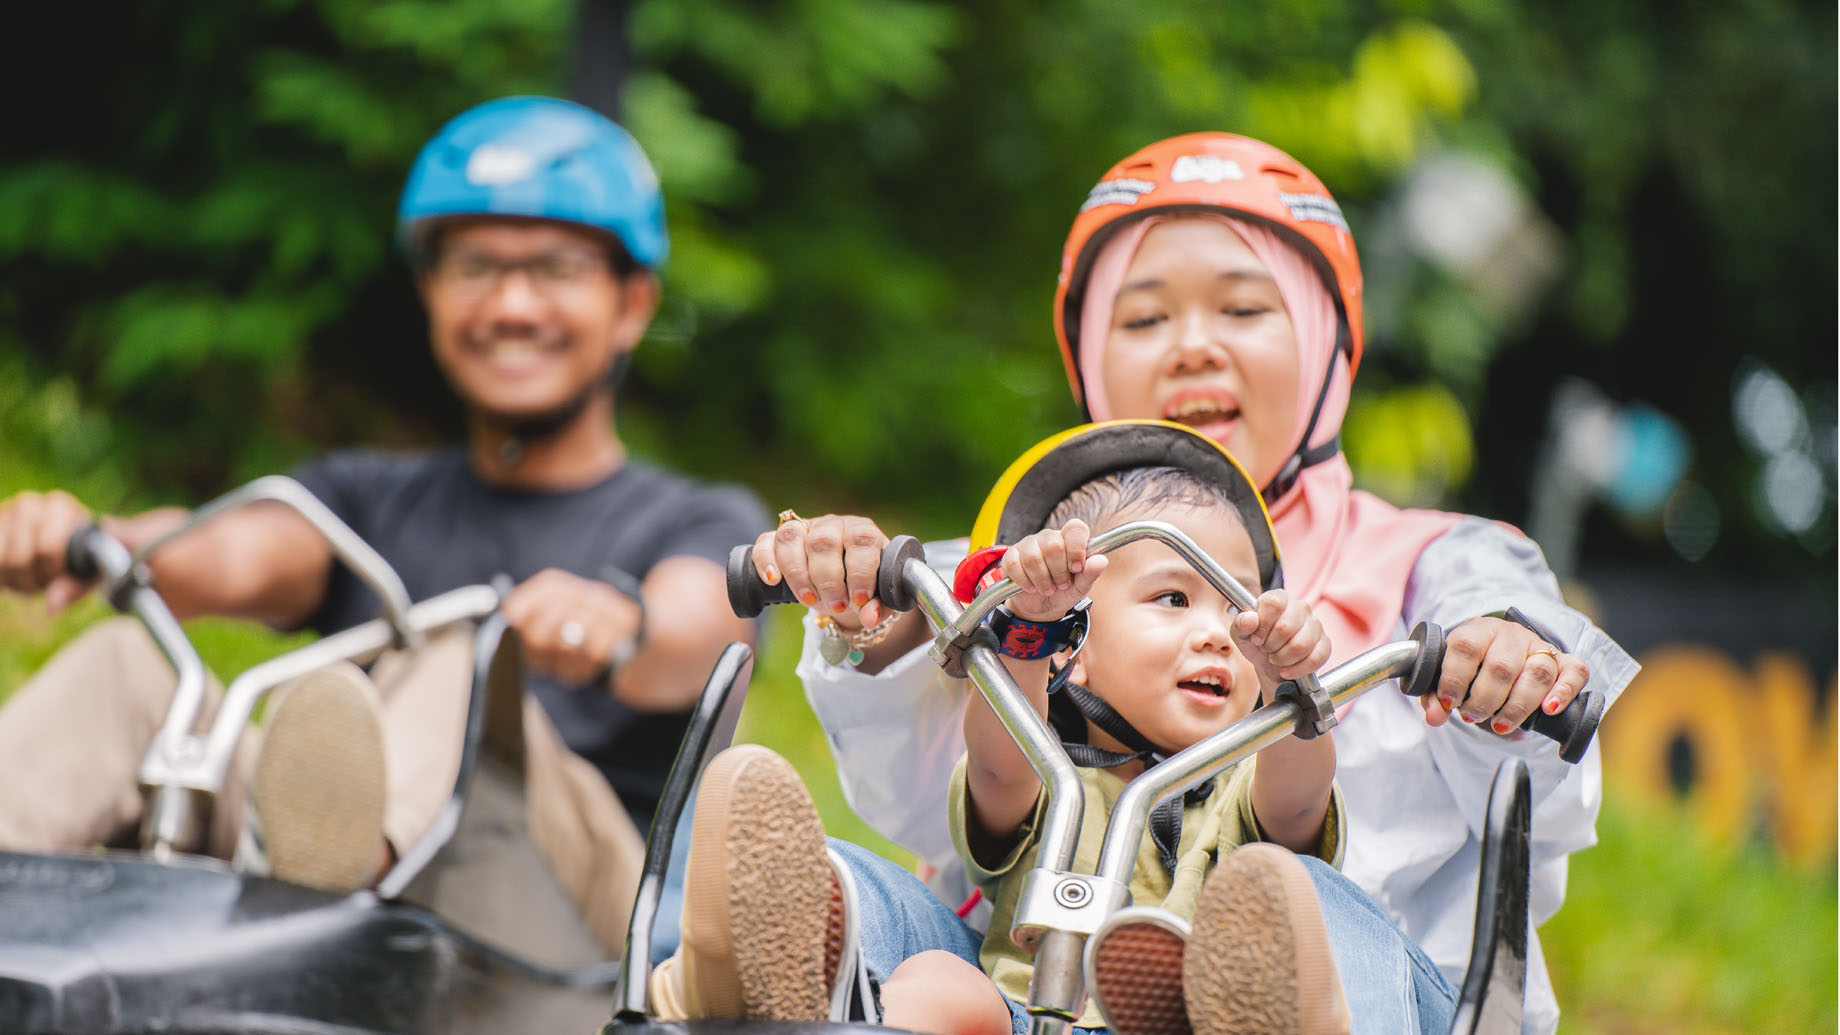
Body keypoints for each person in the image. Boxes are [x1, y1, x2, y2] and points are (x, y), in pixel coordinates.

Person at [756, 132, 1635, 1032]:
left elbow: (1519, 683)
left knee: (1295, 905)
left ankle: (1234, 990)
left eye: (1243, 311)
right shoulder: (1039, 554)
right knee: (852, 897)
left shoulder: (1440, 559)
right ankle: (731, 972)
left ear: (1327, 343)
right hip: (1031, 986)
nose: (1192, 349)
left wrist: (1505, 657)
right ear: (1090, 357)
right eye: (1143, 321)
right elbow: (917, 731)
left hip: (1378, 988)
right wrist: (860, 595)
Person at [0, 96, 766, 958]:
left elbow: (697, 633)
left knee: (460, 659)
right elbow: (227, 550)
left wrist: (618, 627)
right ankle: (301, 885)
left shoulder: (695, 517)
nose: (511, 304)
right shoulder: (363, 495)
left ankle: (327, 886)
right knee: (123, 673)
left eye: (554, 269)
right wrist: (90, 539)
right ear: (431, 292)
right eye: (475, 267)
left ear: (631, 303)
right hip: (325, 861)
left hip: (577, 926)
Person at [652, 422, 1457, 1035]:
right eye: (1175, 599)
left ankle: (1237, 1003)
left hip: (1191, 1013)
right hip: (1018, 1012)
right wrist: (1026, 634)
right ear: (1078, 649)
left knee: (1281, 894)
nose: (1219, 631)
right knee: (939, 980)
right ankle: (752, 980)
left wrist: (1291, 689)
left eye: (1240, 606)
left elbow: (1296, 807)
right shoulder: (1046, 767)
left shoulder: (1245, 785)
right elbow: (1000, 770)